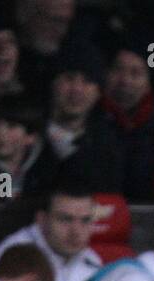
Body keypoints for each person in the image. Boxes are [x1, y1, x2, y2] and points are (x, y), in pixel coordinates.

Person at [43, 44, 123, 193]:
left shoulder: (108, 144)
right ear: (53, 84)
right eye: (69, 78)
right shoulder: (27, 133)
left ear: (98, 92)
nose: (77, 89)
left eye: (87, 81)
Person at [100, 37, 154, 201]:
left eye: (136, 73)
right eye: (117, 70)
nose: (125, 80)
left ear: (149, 82)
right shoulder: (88, 118)